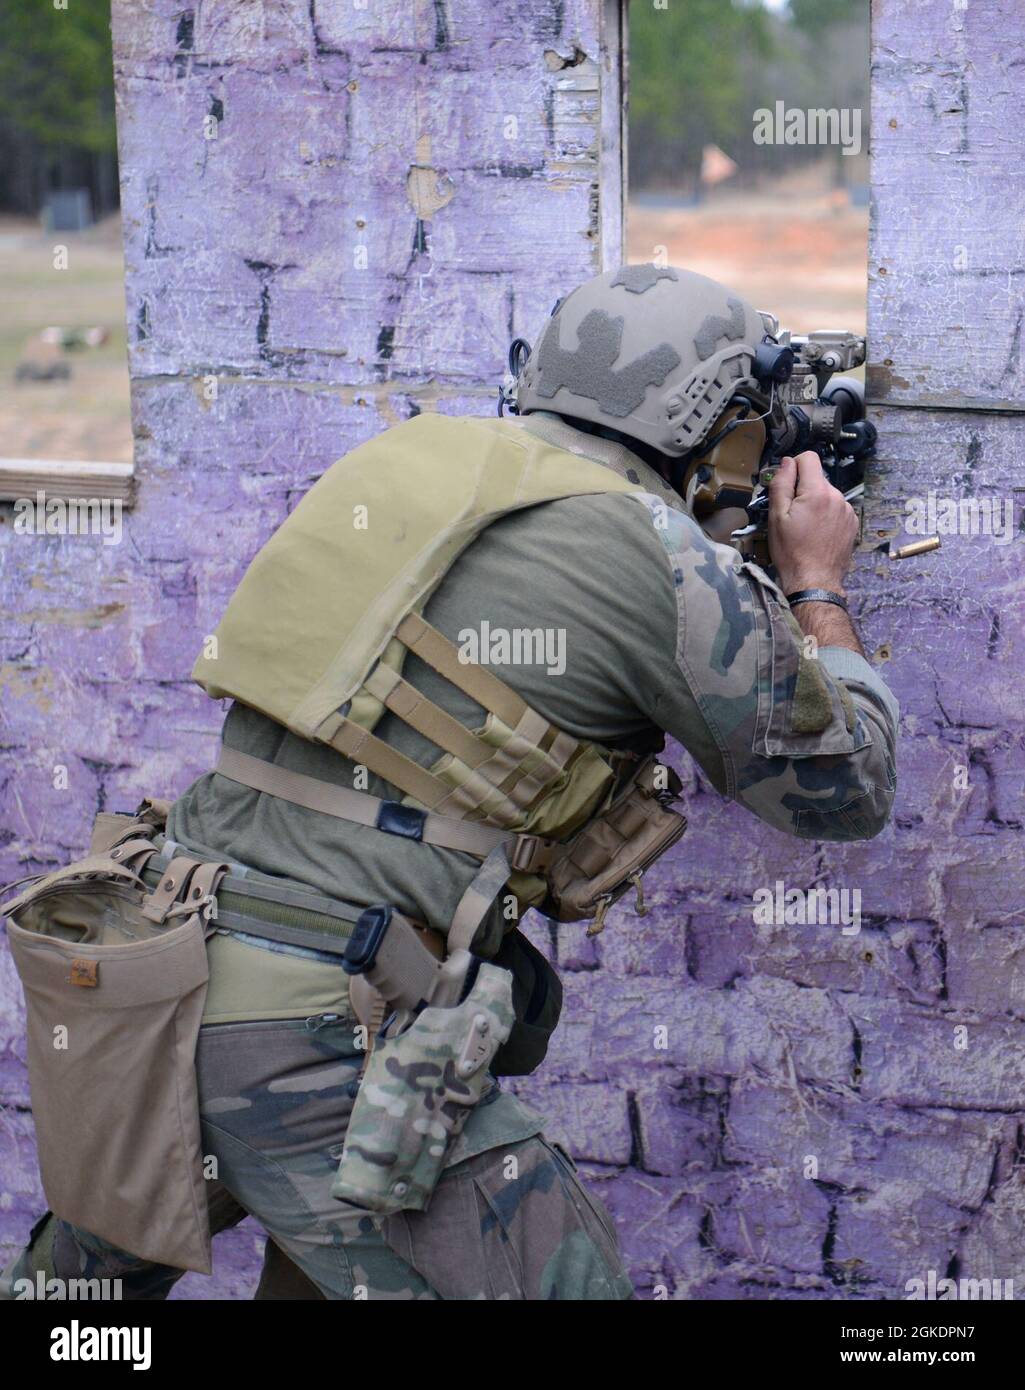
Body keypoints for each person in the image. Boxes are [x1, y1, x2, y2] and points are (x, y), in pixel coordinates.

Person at [2, 266, 898, 1301]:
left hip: (150, 965)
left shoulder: (410, 462)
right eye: (750, 427)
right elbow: (847, 788)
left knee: (77, 1311)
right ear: (703, 419)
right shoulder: (659, 557)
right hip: (317, 1026)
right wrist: (813, 586)